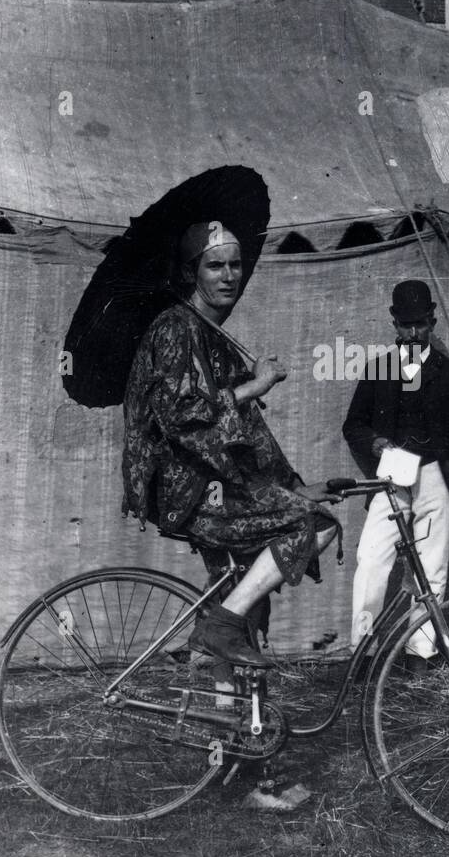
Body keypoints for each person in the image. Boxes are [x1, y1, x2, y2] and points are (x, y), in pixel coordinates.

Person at [121, 221, 341, 672]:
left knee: (242, 583)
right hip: (186, 486)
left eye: (235, 265)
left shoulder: (213, 337)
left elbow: (249, 435)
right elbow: (178, 417)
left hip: (211, 480)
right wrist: (253, 385)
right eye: (214, 265)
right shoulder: (174, 328)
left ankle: (227, 711)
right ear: (191, 274)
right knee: (317, 526)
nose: (228, 276)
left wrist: (294, 486)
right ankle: (217, 626)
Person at [340, 279, 449, 673]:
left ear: (432, 320)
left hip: (434, 472)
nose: (414, 333)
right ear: (393, 323)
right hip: (392, 473)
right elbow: (353, 425)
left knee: (431, 566)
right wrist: (376, 441)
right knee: (370, 559)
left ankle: (422, 655)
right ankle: (362, 653)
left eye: (421, 324)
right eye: (406, 325)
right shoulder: (378, 368)